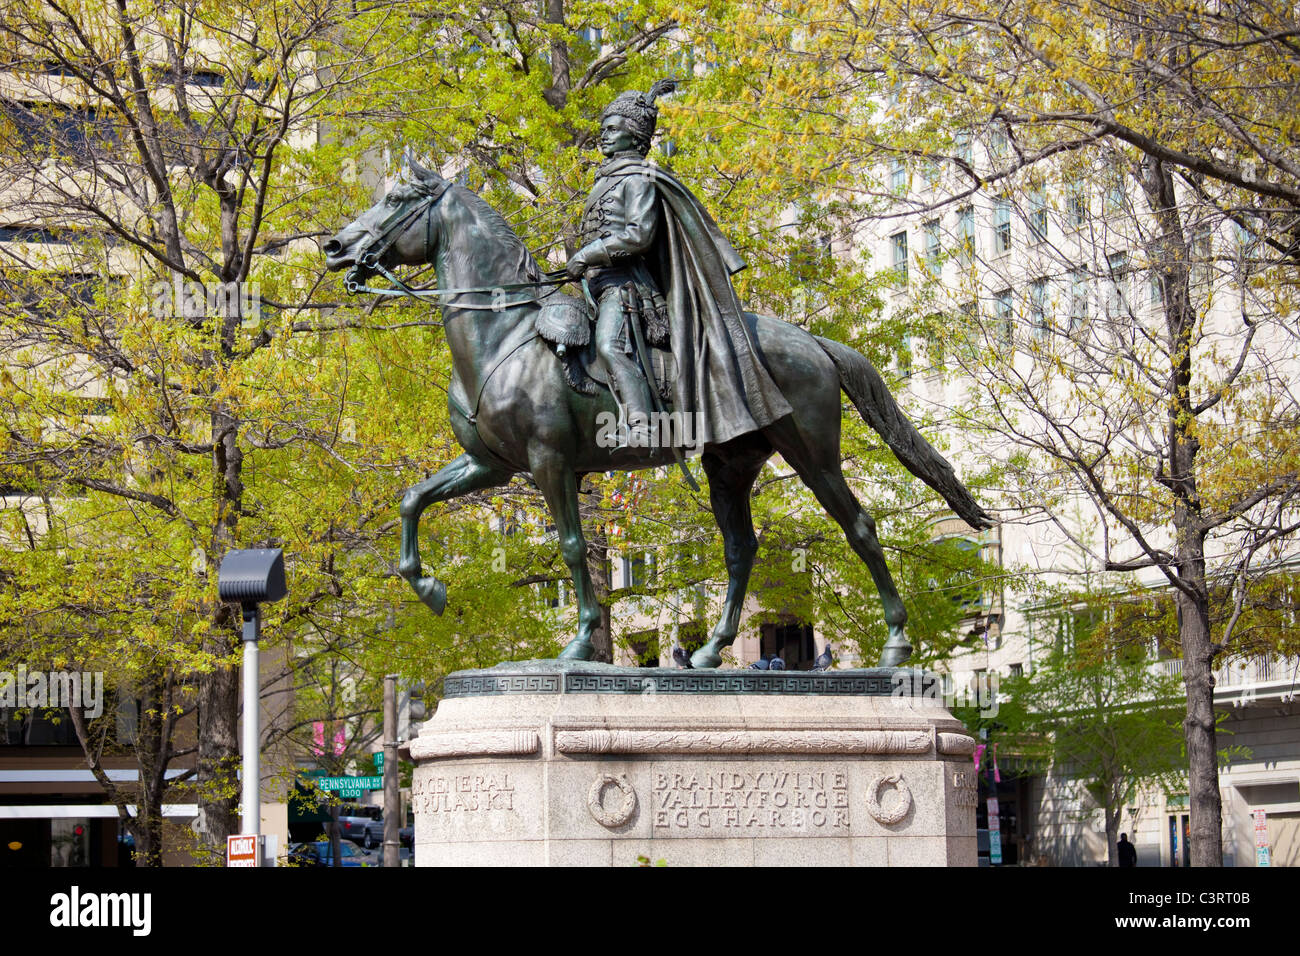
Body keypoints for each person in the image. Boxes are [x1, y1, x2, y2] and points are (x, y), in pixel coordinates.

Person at [565, 79, 791, 448]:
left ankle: (640, 424)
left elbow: (639, 236)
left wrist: (587, 255)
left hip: (628, 288)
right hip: (597, 287)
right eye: (602, 129)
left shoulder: (638, 180)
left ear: (634, 136)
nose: (602, 137)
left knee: (609, 346)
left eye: (612, 129)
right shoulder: (604, 182)